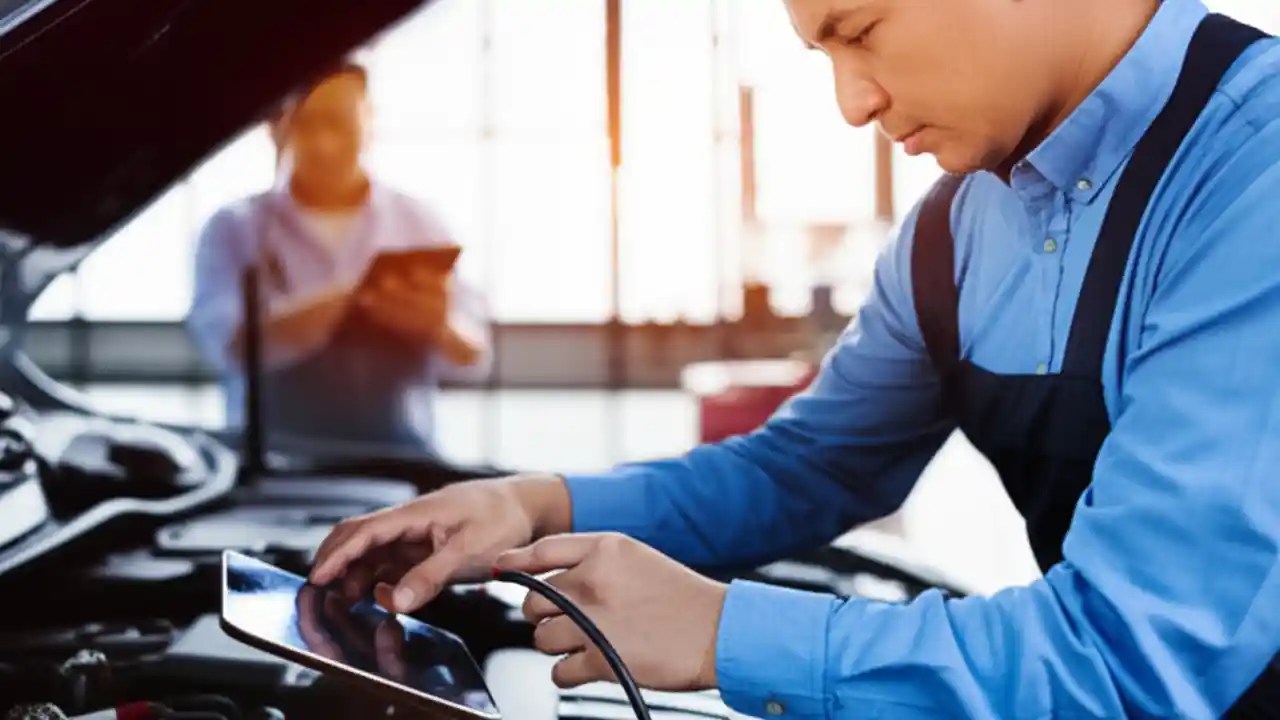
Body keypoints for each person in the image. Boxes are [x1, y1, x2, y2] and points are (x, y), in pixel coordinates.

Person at [310, 0, 1280, 716]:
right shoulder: (950, 235)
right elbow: (804, 467)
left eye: (856, 31)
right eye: (818, 53)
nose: (851, 105)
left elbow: (1124, 663)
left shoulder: (1256, 177)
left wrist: (720, 631)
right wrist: (531, 507)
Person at [187, 60, 489, 456]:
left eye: (338, 123)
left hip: (405, 461)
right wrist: (345, 300)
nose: (323, 143)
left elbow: (475, 356)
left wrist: (438, 326)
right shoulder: (234, 228)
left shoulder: (420, 222)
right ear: (275, 128)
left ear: (369, 121)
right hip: (277, 466)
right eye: (305, 123)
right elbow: (224, 344)